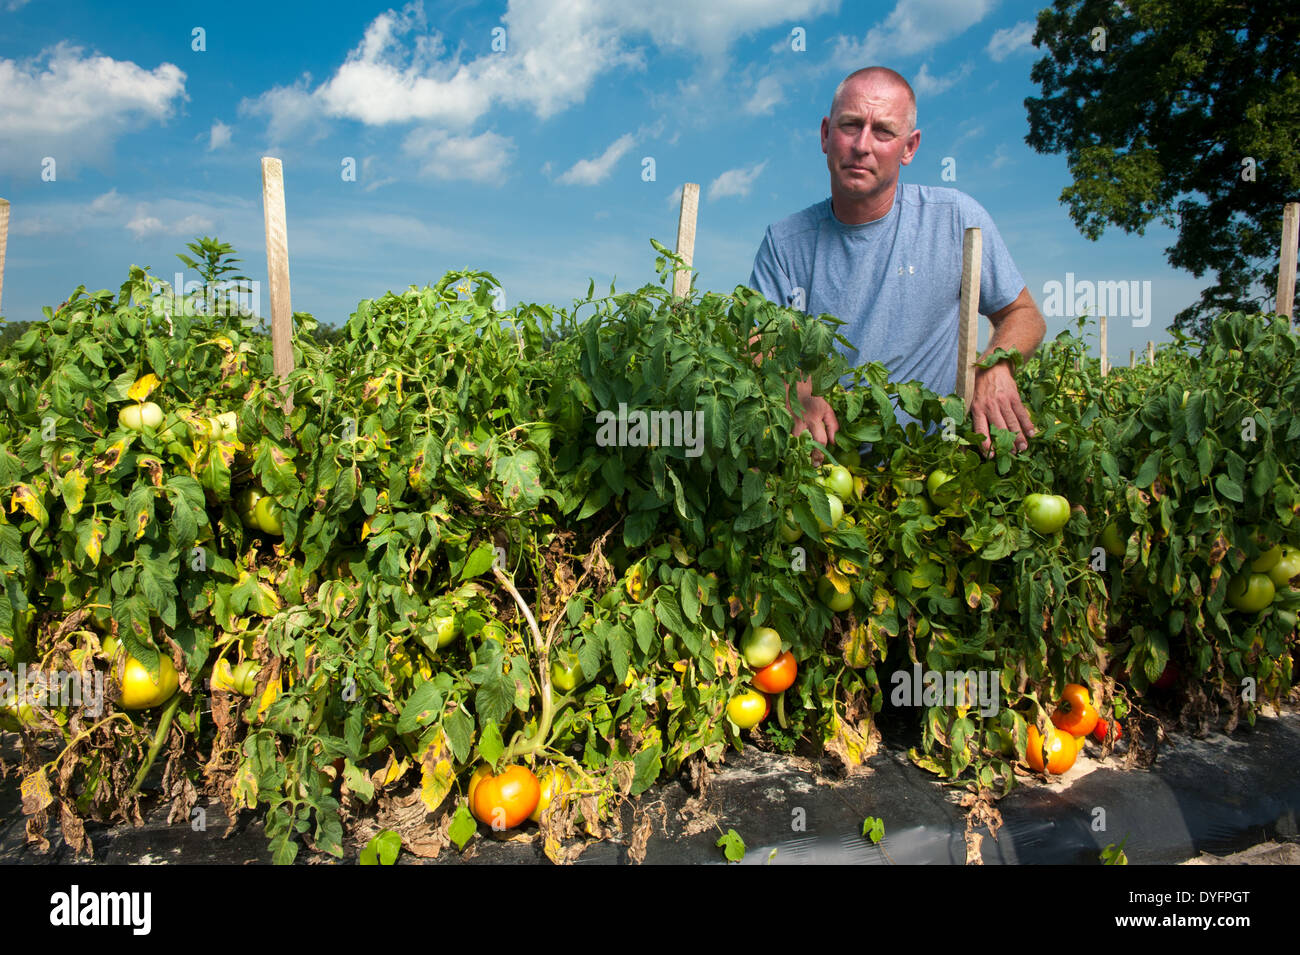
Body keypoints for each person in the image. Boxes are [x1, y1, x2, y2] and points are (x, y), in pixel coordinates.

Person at [748, 66, 1045, 457]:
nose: (862, 145)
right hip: (827, 468)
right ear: (825, 134)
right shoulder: (786, 242)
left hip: (939, 469)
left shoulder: (956, 218)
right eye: (850, 125)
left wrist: (995, 365)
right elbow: (758, 339)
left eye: (884, 131)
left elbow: (1023, 314)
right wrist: (797, 388)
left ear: (909, 147)